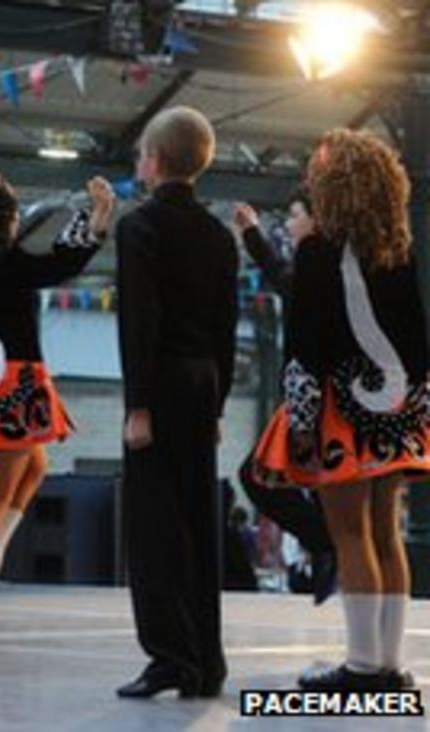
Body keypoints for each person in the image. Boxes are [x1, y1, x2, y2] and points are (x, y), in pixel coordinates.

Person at [252, 129, 427, 691]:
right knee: (384, 532)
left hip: (340, 411)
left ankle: (359, 666)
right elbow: (416, 339)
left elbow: (305, 347)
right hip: (397, 411)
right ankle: (389, 665)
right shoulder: (398, 249)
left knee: (349, 532)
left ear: (332, 185)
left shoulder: (317, 250)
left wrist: (302, 424)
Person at [0, 167, 114, 629]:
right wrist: (96, 219)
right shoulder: (3, 262)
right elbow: (59, 263)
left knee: (35, 468)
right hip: (14, 384)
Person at [115, 106, 239, 699]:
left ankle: (168, 657)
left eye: (141, 153)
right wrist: (216, 409)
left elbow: (140, 321)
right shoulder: (218, 234)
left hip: (159, 386)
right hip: (203, 383)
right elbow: (225, 322)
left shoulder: (139, 227)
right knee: (197, 525)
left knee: (152, 526)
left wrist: (137, 406)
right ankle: (207, 661)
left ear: (155, 161)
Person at [233, 189, 337, 605]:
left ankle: (327, 541)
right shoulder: (339, 263)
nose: (289, 224)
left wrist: (254, 237)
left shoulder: (320, 268)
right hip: (324, 396)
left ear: (316, 220)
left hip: (315, 398)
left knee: (257, 476)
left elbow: (284, 279)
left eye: (295, 216)